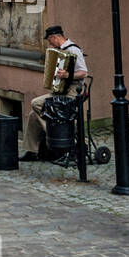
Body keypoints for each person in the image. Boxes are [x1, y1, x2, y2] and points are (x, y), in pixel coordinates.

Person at [21, 24, 88, 161]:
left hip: (72, 93)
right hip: (61, 92)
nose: (49, 43)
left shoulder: (74, 50)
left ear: (55, 37)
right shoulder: (59, 51)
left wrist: (67, 75)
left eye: (49, 40)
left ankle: (64, 140)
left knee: (36, 103)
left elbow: (84, 73)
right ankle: (31, 151)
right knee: (33, 115)